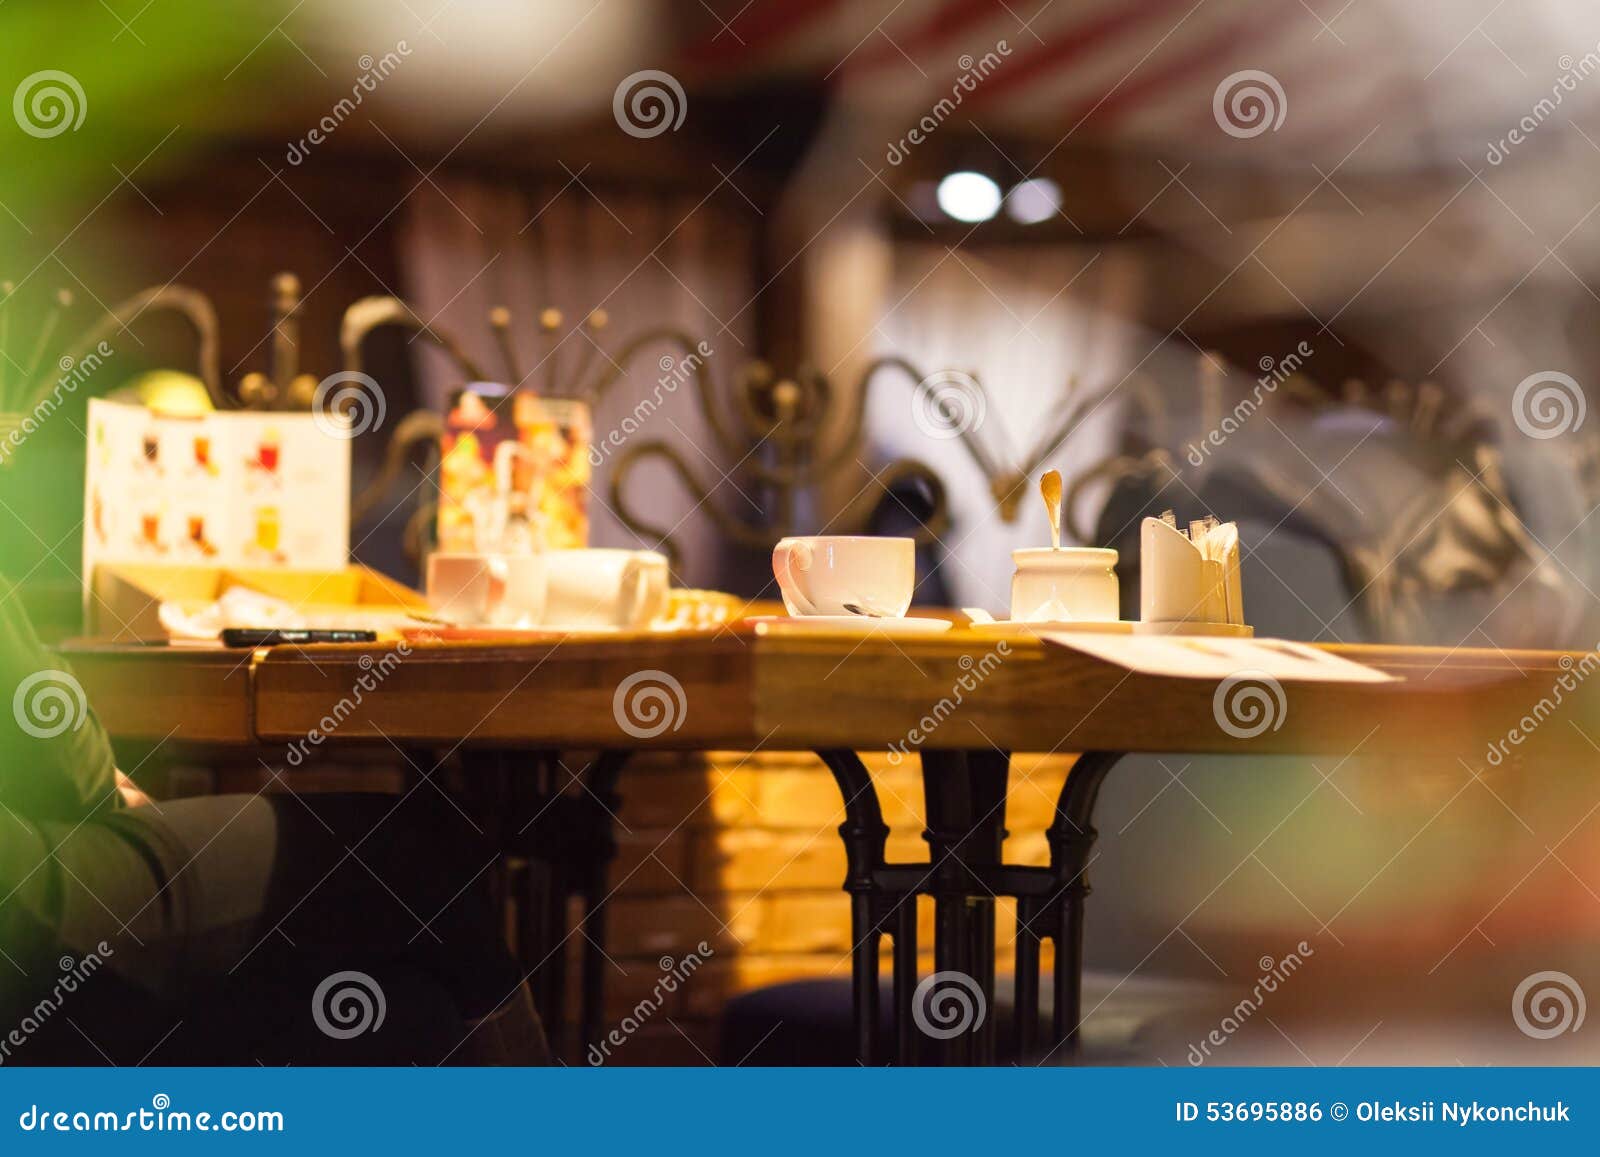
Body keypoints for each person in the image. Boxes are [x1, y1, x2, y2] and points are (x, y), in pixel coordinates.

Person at [0, 577, 546, 1064]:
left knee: (408, 1013)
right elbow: (56, 754)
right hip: (32, 898)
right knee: (422, 853)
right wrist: (108, 782)